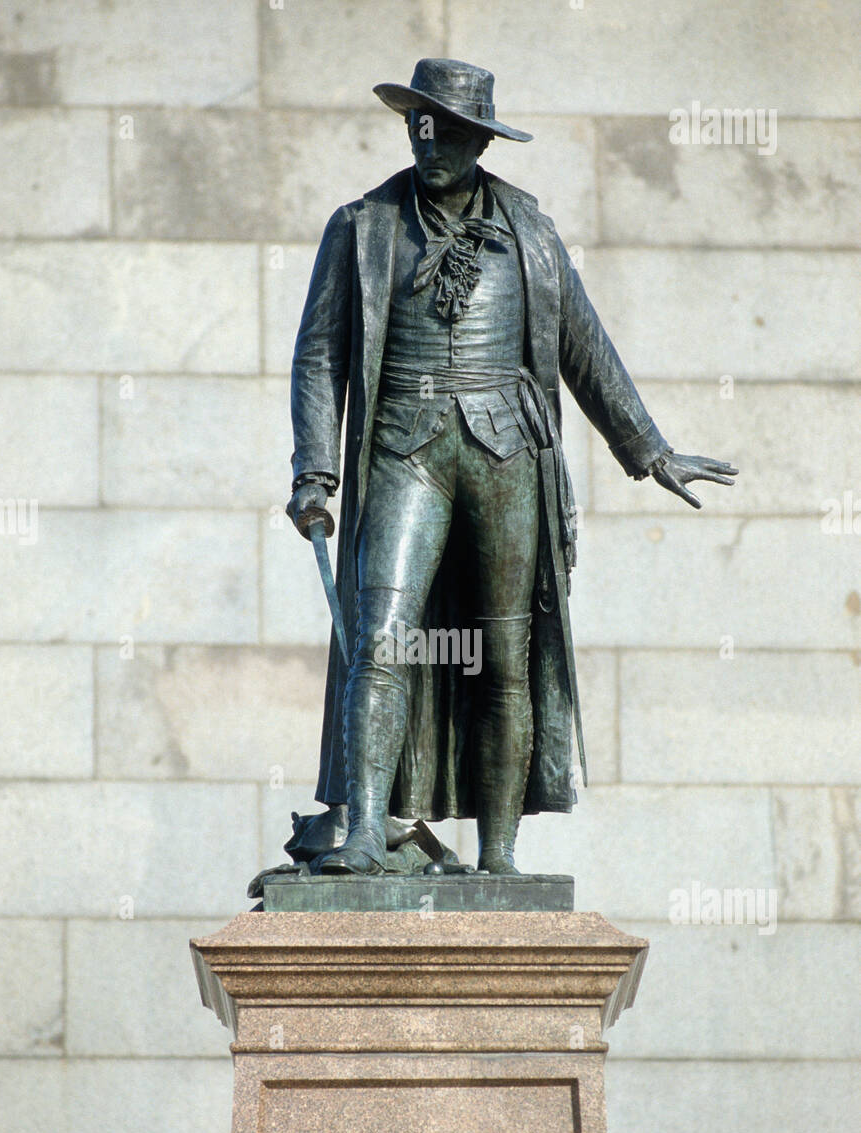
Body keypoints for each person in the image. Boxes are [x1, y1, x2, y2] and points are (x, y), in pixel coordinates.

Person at [287, 59, 736, 875]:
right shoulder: (361, 227)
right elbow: (319, 356)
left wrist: (650, 450)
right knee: (383, 643)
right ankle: (362, 833)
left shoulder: (530, 228)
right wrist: (315, 468)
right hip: (404, 450)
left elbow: (583, 345)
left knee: (505, 655)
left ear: (481, 138)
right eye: (420, 128)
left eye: (449, 131)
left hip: (507, 454)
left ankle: (500, 857)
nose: (431, 145)